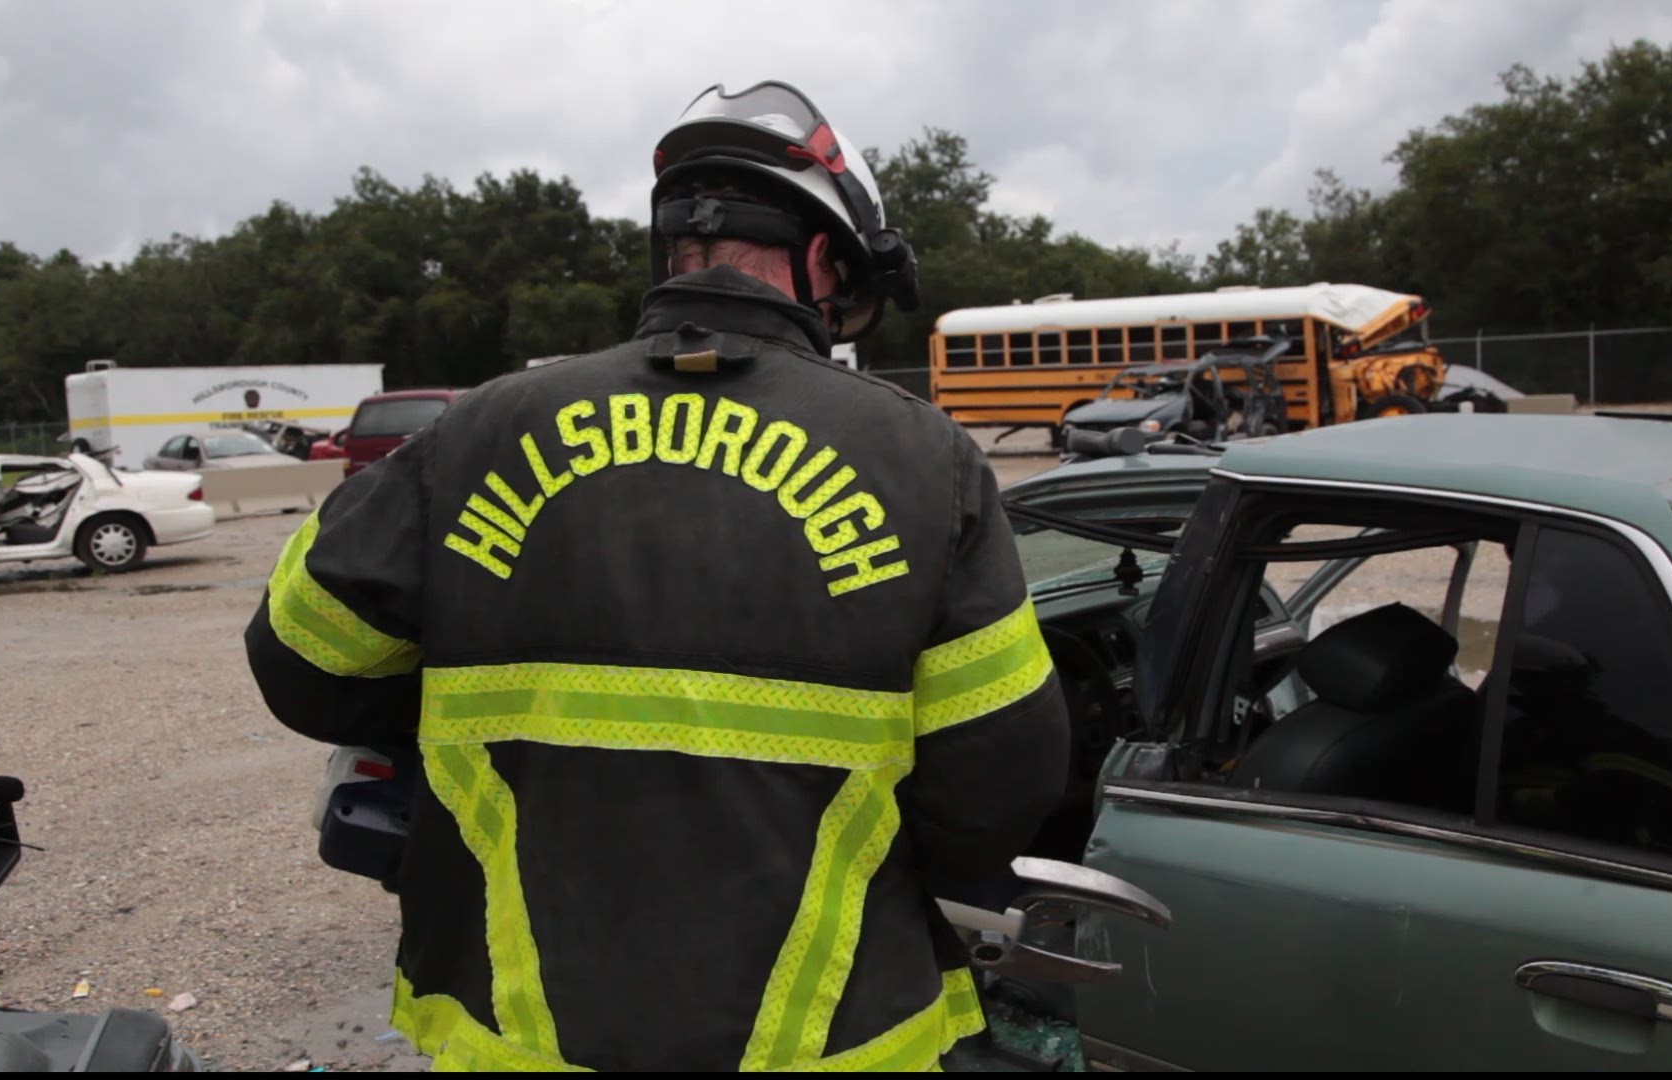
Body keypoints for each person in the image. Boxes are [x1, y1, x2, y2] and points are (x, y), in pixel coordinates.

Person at [244, 81, 1068, 1071]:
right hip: (831, 1040)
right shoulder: (927, 463)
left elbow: (299, 663)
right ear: (818, 256)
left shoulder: (474, 432)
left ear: (674, 247)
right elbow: (996, 789)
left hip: (518, 1040)